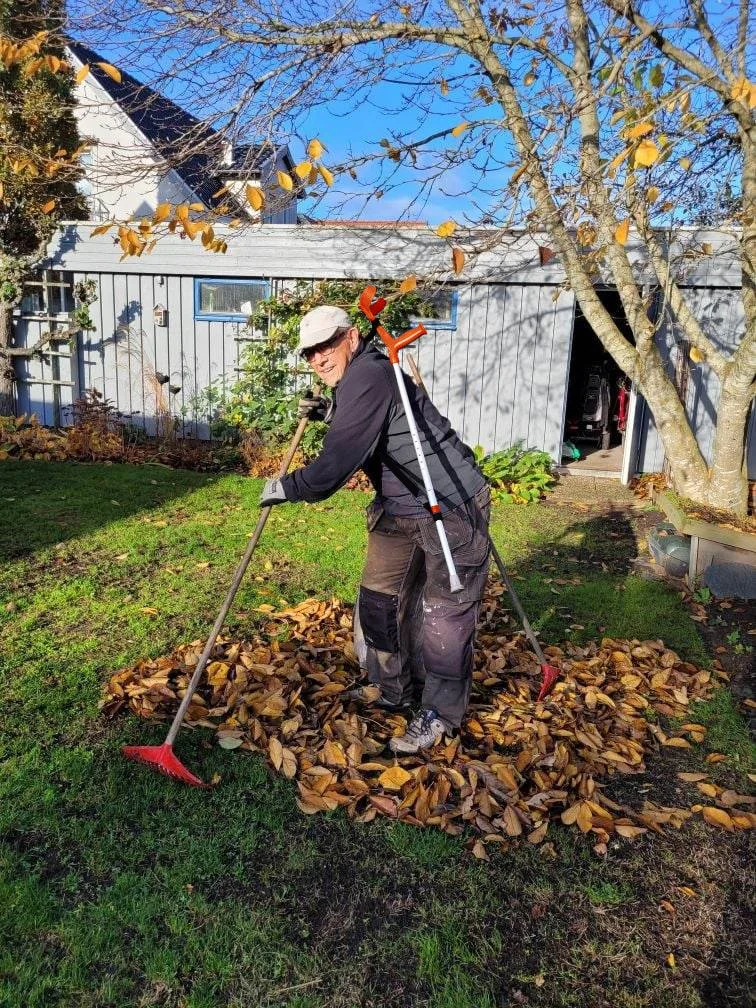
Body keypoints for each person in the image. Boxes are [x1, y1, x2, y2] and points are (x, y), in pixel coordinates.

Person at [260, 304, 491, 754]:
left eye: (326, 345)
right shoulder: (357, 379)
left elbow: (334, 467)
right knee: (380, 598)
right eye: (309, 353)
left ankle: (440, 713)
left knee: (445, 615)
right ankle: (393, 687)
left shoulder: (370, 375)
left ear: (351, 337)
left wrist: (286, 486)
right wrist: (331, 412)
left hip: (451, 507)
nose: (318, 359)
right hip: (399, 504)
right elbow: (377, 429)